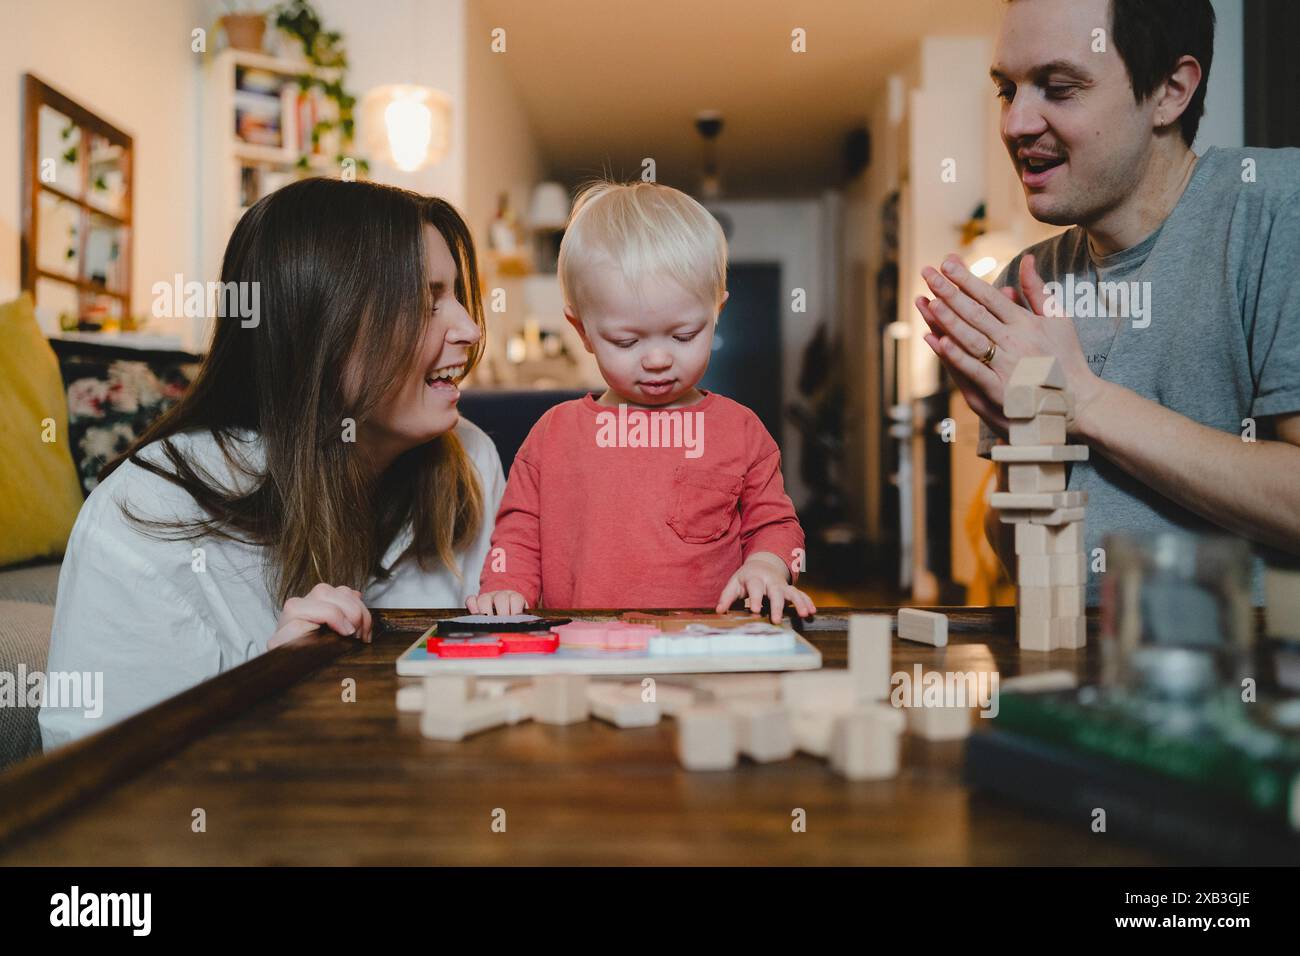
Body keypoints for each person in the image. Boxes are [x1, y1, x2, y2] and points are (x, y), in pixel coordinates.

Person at [40, 178, 504, 747]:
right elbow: (96, 792)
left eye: (457, 294)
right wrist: (269, 701)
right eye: (426, 301)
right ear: (320, 328)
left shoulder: (471, 461)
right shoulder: (144, 520)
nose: (470, 328)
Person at [915, 0, 1300, 603]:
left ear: (1171, 92)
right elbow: (1026, 567)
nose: (1016, 123)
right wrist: (1024, 443)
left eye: (1058, 88)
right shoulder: (1028, 278)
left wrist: (1084, 401)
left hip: (1243, 687)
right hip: (1084, 682)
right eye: (1007, 89)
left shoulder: (1277, 207)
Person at [467, 181, 816, 623]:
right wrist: (505, 584)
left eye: (684, 335)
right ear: (583, 331)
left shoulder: (741, 431)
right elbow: (517, 533)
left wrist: (768, 564)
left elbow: (779, 526)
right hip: (584, 653)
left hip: (707, 653)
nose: (657, 359)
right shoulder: (553, 435)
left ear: (717, 314)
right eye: (626, 340)